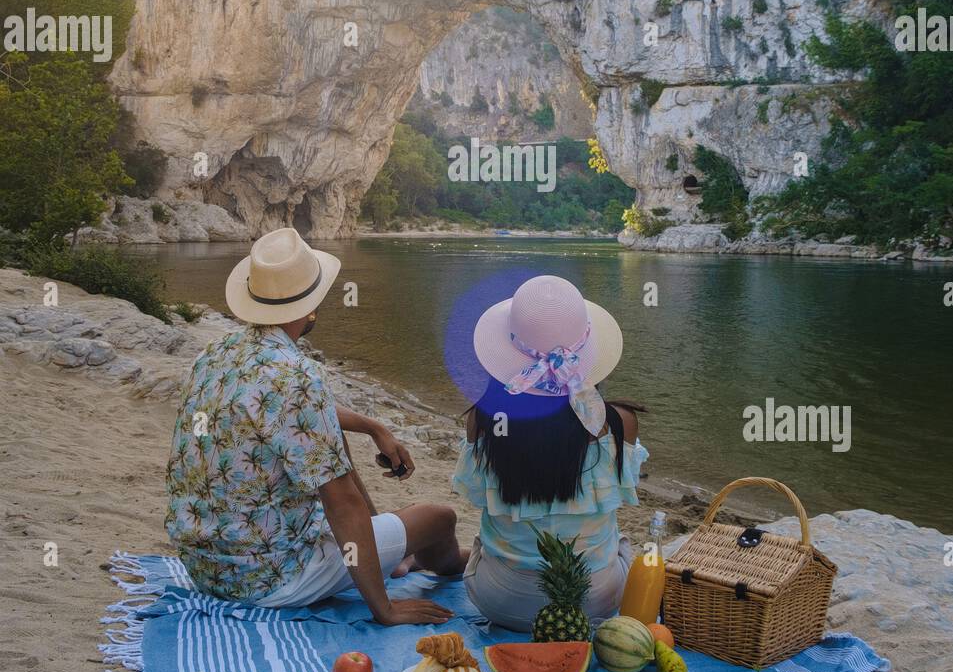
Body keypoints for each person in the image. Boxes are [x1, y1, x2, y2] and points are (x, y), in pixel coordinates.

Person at [166, 227, 465, 623]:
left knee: (332, 437)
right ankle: (447, 564)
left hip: (206, 566)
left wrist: (373, 426)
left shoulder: (217, 352)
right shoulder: (298, 375)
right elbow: (342, 502)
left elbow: (276, 412)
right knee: (439, 518)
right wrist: (385, 609)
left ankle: (395, 551)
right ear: (311, 306)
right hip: (271, 577)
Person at [452, 274, 647, 631]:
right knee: (620, 544)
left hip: (499, 600)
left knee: (486, 544)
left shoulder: (484, 419)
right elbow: (621, 491)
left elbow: (479, 497)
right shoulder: (620, 422)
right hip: (595, 602)